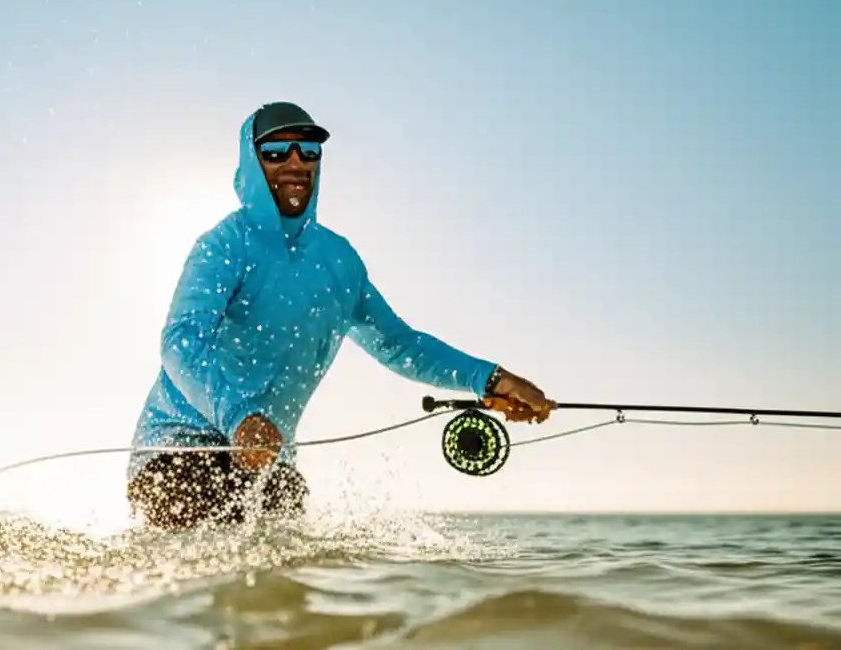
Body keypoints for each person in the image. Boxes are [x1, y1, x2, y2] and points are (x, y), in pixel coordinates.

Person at [126, 101, 555, 529]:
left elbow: (400, 345)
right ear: (253, 162)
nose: (296, 163)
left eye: (308, 152)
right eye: (277, 152)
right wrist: (240, 419)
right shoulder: (225, 245)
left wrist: (493, 379)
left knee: (288, 572)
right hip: (179, 450)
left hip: (269, 464)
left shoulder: (339, 261)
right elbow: (180, 341)